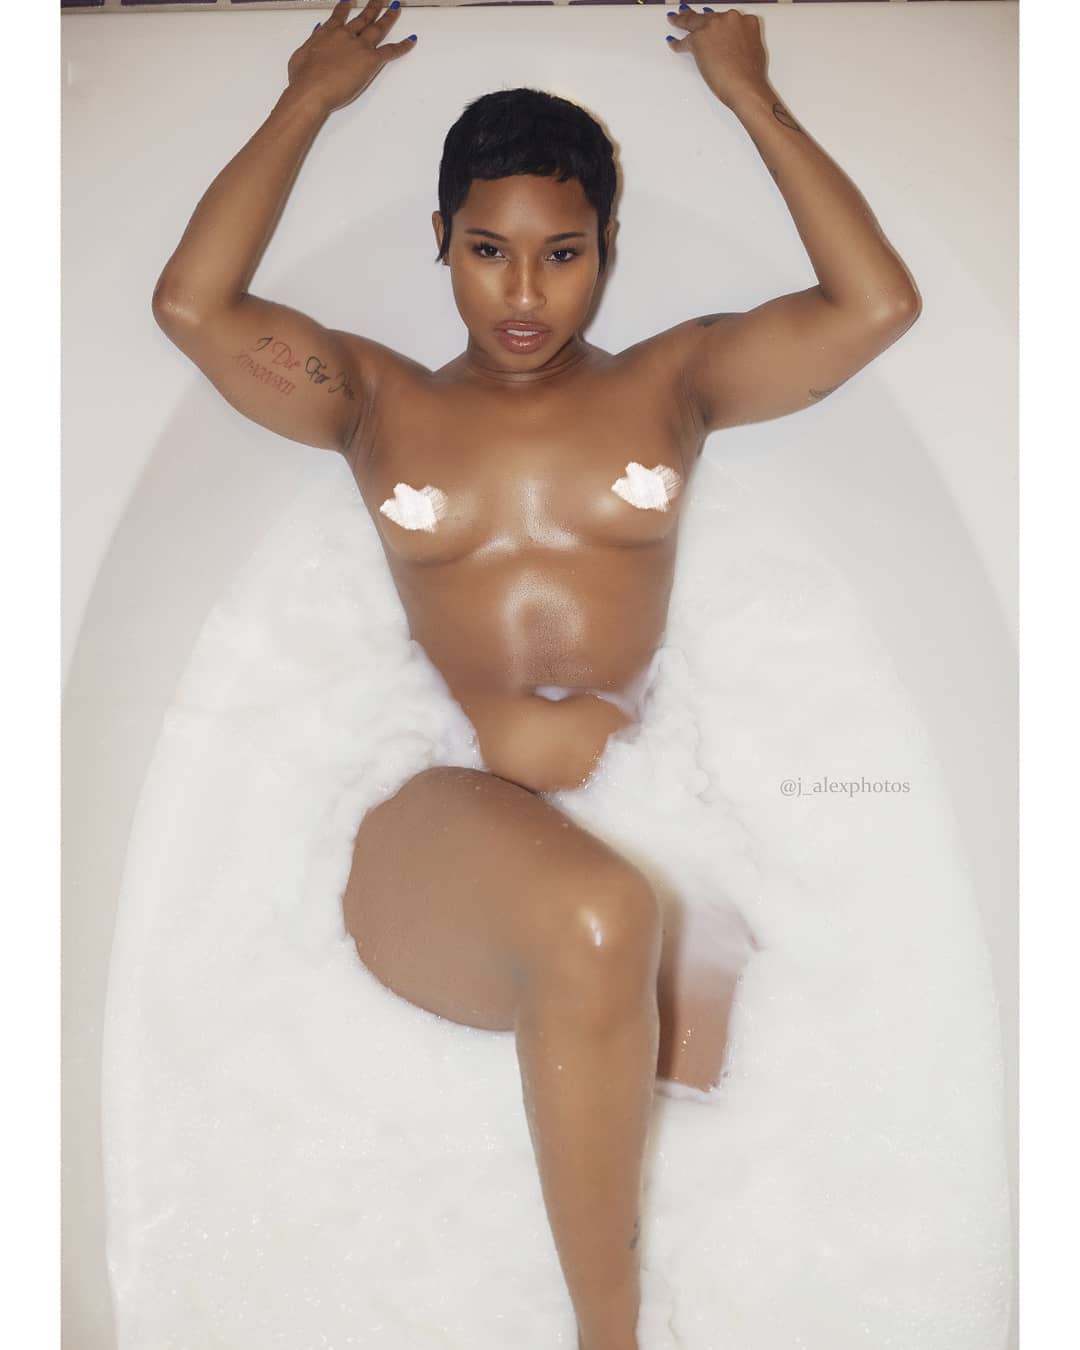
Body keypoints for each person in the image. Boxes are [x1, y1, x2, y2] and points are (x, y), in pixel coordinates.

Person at [151, 4, 921, 1346]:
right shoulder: (376, 402)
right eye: (488, 251)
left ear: (609, 247)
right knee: (601, 921)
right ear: (440, 241)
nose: (522, 295)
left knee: (775, 1092)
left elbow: (876, 305)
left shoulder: (672, 386)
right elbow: (191, 306)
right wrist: (307, 97)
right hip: (437, 820)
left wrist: (747, 94)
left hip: (632, 813)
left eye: (563, 254)